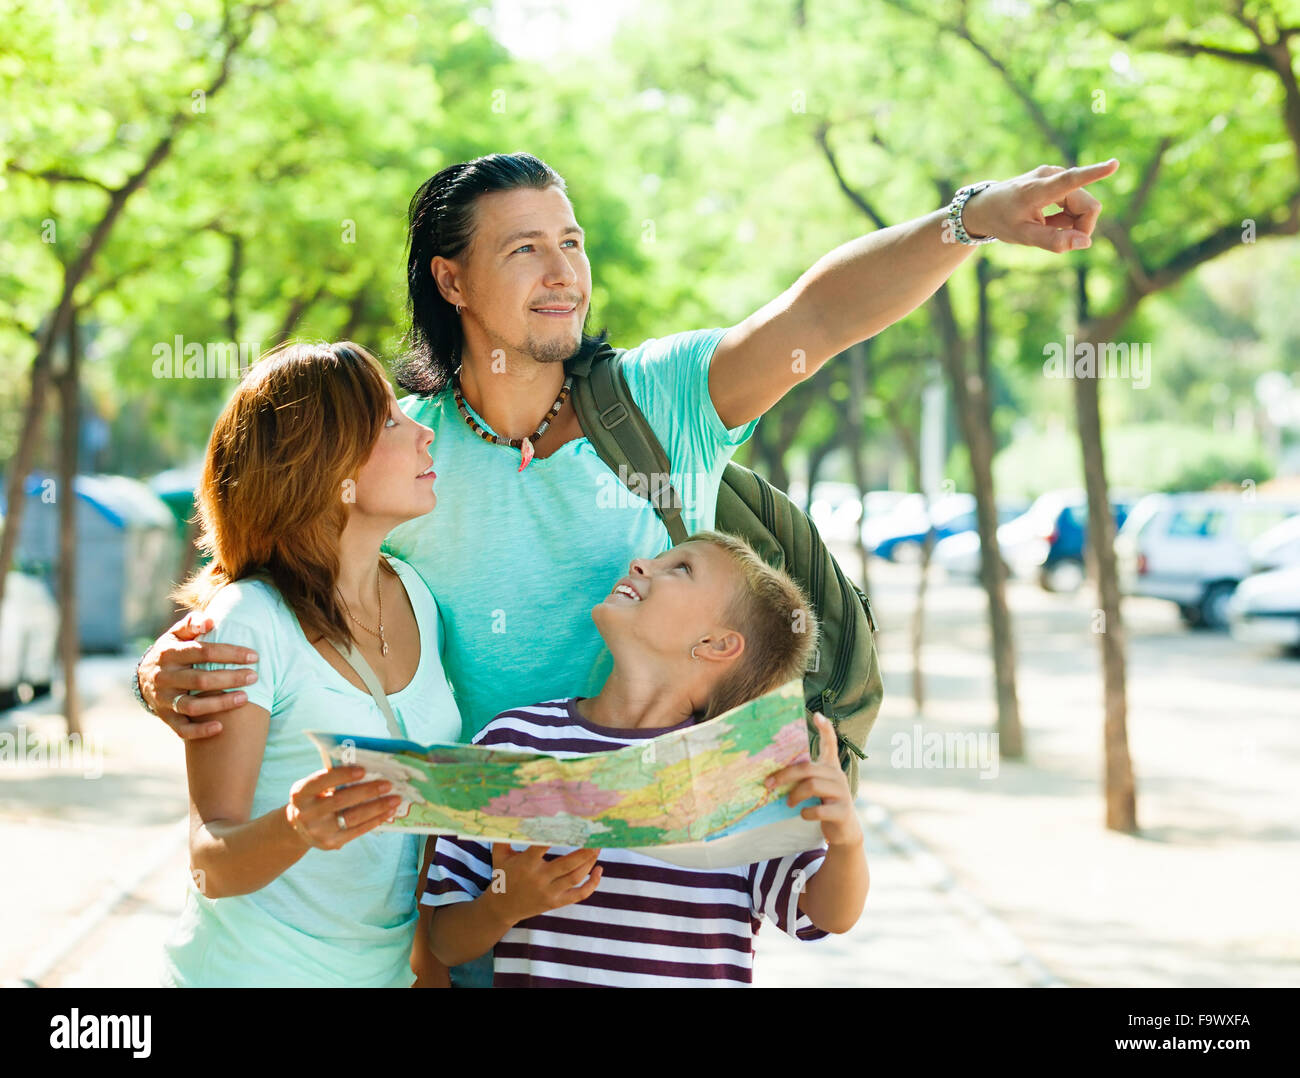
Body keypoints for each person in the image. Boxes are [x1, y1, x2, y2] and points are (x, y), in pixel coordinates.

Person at [134, 151, 1117, 988]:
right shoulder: (405, 454)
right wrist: (162, 672)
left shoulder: (659, 402)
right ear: (451, 280)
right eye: (524, 248)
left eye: (571, 242)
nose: (562, 271)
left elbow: (817, 316)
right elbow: (286, 579)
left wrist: (969, 219)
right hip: (471, 918)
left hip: (653, 916)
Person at [422, 531, 869, 987]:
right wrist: (502, 904)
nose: (640, 563)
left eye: (681, 568)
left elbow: (826, 914)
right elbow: (444, 942)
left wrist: (847, 840)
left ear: (716, 644)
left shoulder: (741, 778)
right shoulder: (512, 743)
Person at [159, 341, 461, 988]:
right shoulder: (248, 622)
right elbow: (211, 861)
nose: (422, 430)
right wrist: (297, 827)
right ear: (325, 465)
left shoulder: (418, 597)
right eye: (388, 421)